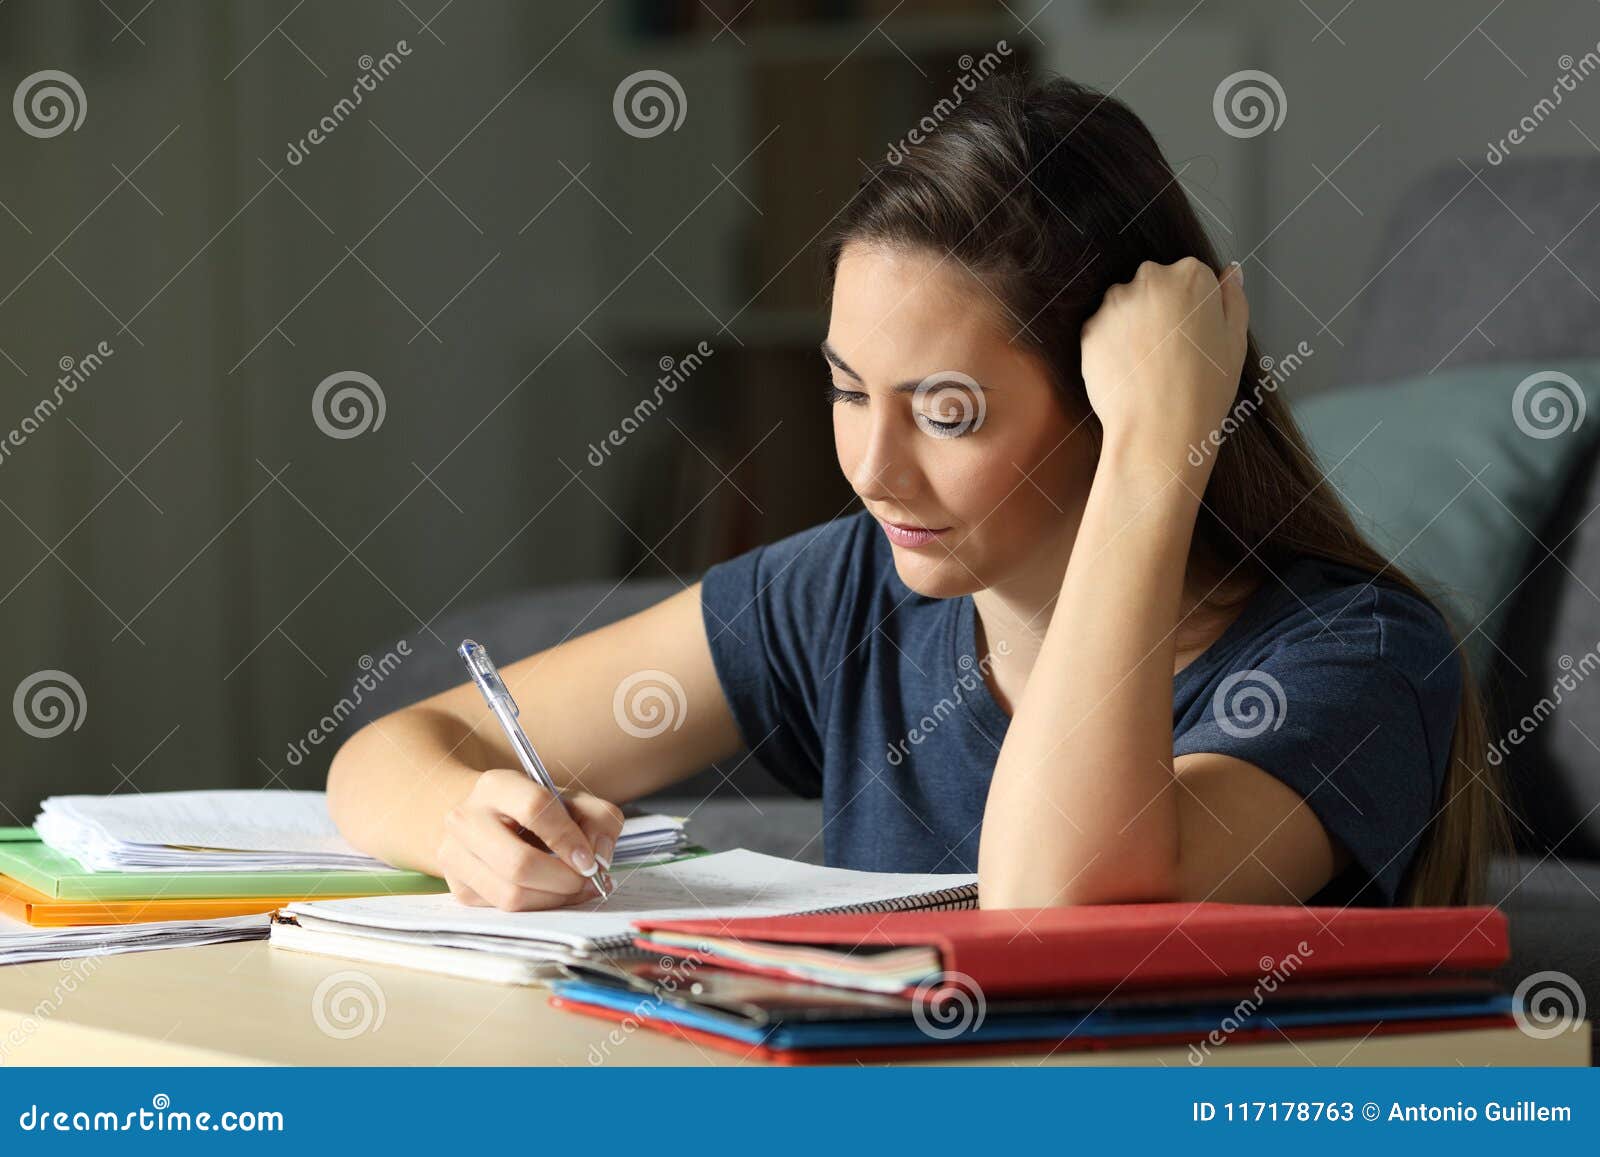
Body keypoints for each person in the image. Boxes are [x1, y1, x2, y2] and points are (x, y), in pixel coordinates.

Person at [327, 74, 1507, 912]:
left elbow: (1060, 902)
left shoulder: (1352, 660)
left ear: (1113, 397)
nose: (873, 470)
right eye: (848, 391)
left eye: (948, 413)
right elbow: (394, 744)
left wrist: (1158, 455)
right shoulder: (847, 590)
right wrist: (471, 826)